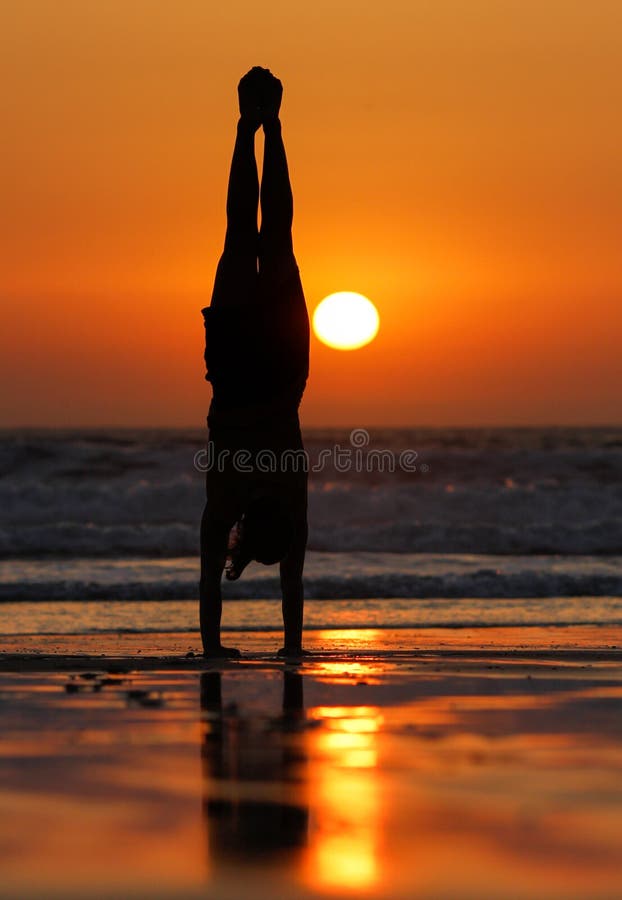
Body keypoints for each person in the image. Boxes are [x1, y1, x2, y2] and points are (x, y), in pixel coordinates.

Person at [199, 67, 310, 659]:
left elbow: (292, 586)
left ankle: (269, 126)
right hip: (237, 374)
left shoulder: (289, 500)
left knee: (276, 237)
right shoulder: (223, 504)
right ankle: (250, 127)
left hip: (283, 373)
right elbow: (208, 586)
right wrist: (214, 647)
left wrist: (292, 647)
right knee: (242, 235)